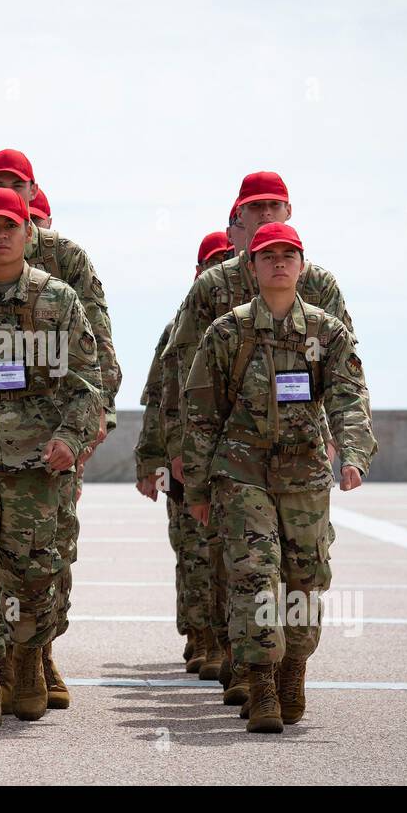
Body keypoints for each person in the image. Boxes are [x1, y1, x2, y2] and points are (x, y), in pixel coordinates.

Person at [0, 149, 119, 709]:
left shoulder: (68, 263)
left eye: (15, 189)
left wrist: (86, 430)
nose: (7, 201)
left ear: (33, 192)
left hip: (51, 437)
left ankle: (37, 656)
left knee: (42, 560)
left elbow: (97, 355)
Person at [163, 172, 355, 698]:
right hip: (238, 457)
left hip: (302, 457)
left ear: (289, 212)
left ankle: (287, 665)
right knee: (247, 566)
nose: (266, 215)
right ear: (238, 220)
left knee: (303, 571)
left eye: (275, 206)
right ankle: (252, 670)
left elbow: (345, 377)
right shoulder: (214, 292)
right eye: (256, 207)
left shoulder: (322, 291)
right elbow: (183, 372)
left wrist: (346, 445)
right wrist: (180, 451)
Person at [134, 232, 232, 668]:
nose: (218, 269)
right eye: (211, 263)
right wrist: (151, 460)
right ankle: (204, 636)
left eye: (225, 261)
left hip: (238, 454)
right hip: (185, 457)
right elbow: (159, 396)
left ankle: (230, 643)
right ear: (197, 273)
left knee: (230, 552)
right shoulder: (178, 328)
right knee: (194, 551)